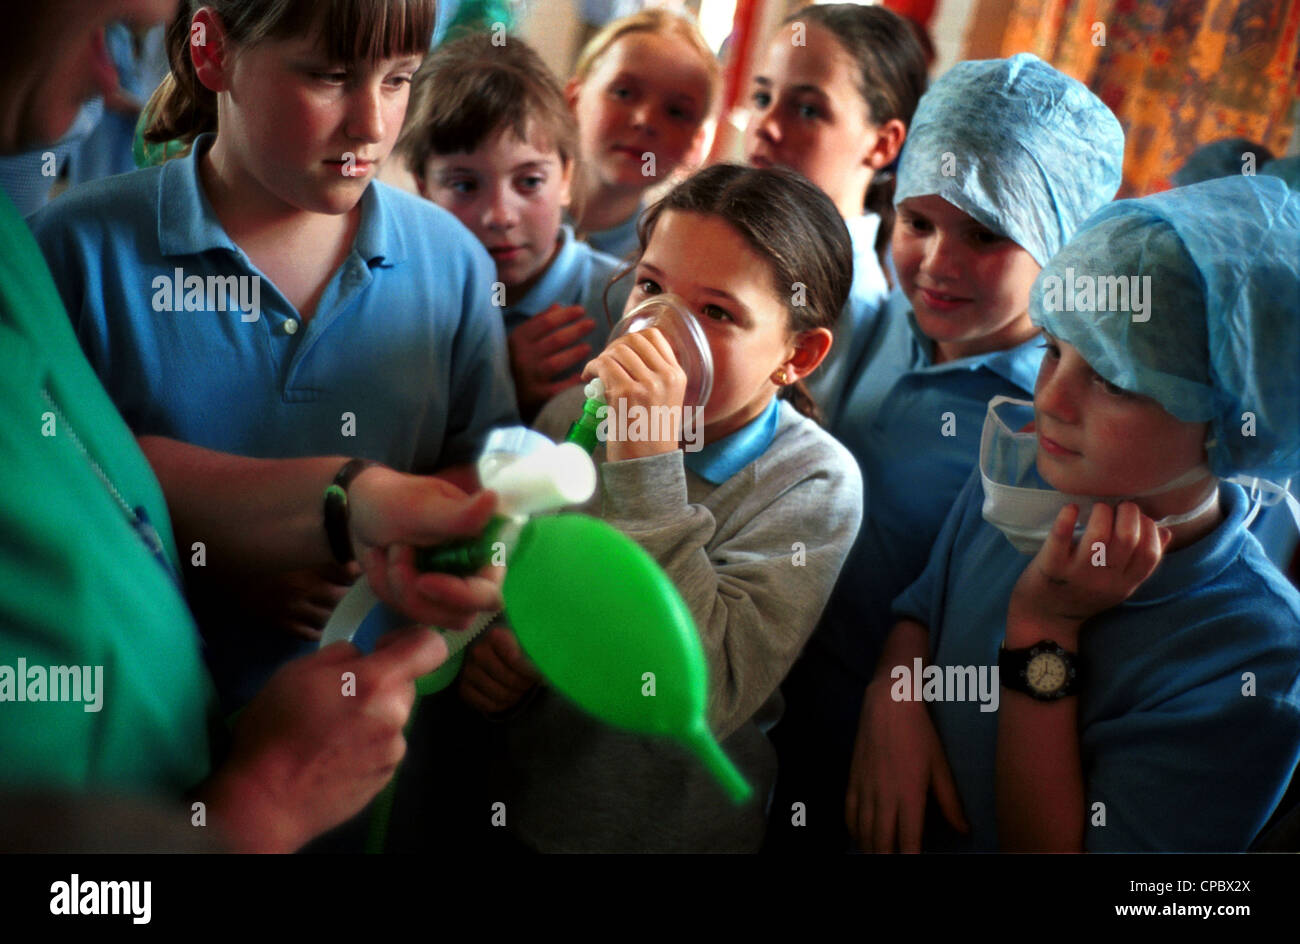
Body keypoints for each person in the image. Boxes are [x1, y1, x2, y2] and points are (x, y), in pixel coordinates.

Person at [0, 0, 505, 853]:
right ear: (213, 53)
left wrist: (409, 550)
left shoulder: (451, 264)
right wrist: (205, 558)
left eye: (398, 80)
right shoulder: (71, 251)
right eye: (326, 76)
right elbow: (86, 484)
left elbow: (480, 471)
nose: (372, 122)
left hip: (374, 773)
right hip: (150, 807)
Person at [849, 174, 1300, 852]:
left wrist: (1044, 631)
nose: (1050, 402)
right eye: (1054, 350)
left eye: (1114, 380)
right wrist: (894, 690)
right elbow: (925, 606)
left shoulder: (1252, 657)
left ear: (1230, 415)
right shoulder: (1023, 473)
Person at [766, 53, 1125, 852]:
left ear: (1063, 249)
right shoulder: (875, 324)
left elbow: (1018, 611)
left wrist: (906, 682)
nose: (936, 262)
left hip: (913, 781)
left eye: (986, 234)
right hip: (775, 717)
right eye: (917, 222)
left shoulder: (1062, 419)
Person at [457, 165, 864, 852]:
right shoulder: (574, 415)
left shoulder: (813, 483)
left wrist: (649, 464)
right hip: (526, 811)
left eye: (717, 313)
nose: (662, 332)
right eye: (650, 286)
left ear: (798, 354)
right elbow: (512, 569)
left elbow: (709, 692)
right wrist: (494, 643)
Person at [400, 32, 631, 423]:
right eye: (464, 185)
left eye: (529, 182)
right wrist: (494, 385)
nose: (500, 216)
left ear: (566, 177)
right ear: (423, 188)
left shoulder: (624, 303)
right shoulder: (401, 305)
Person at [744, 2, 927, 426]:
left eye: (807, 109)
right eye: (762, 97)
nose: (766, 125)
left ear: (882, 143)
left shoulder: (843, 298)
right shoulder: (754, 244)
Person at [565, 7, 718, 260]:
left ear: (695, 145)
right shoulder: (496, 212)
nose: (645, 120)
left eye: (676, 112)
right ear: (574, 99)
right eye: (623, 93)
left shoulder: (665, 269)